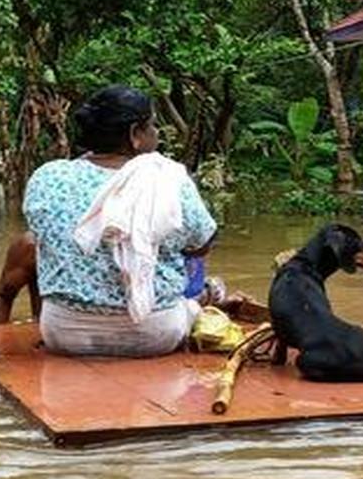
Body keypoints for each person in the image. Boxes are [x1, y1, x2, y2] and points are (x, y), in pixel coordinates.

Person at [18, 84, 218, 357]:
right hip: (154, 335)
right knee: (193, 304)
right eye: (153, 127)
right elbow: (202, 244)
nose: (156, 135)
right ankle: (206, 297)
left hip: (63, 333)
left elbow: (44, 235)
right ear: (135, 134)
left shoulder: (48, 177)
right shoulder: (168, 179)